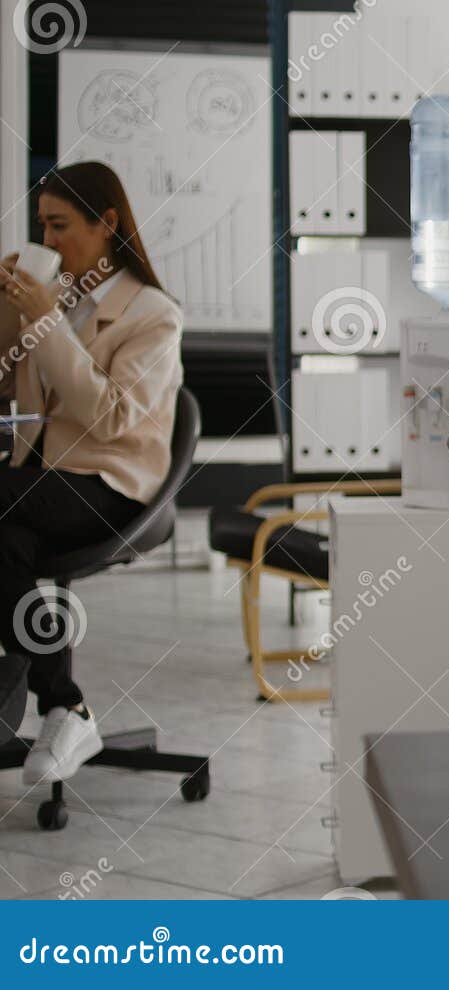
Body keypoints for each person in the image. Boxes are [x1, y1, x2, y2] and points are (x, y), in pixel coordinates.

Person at [0, 161, 182, 783]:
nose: (48, 242)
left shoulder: (153, 314)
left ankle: (14, 684)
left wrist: (46, 319)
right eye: (41, 228)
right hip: (42, 483)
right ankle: (64, 705)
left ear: (106, 224)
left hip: (111, 488)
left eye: (60, 226)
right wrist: (8, 309)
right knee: (9, 540)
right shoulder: (58, 303)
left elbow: (108, 417)